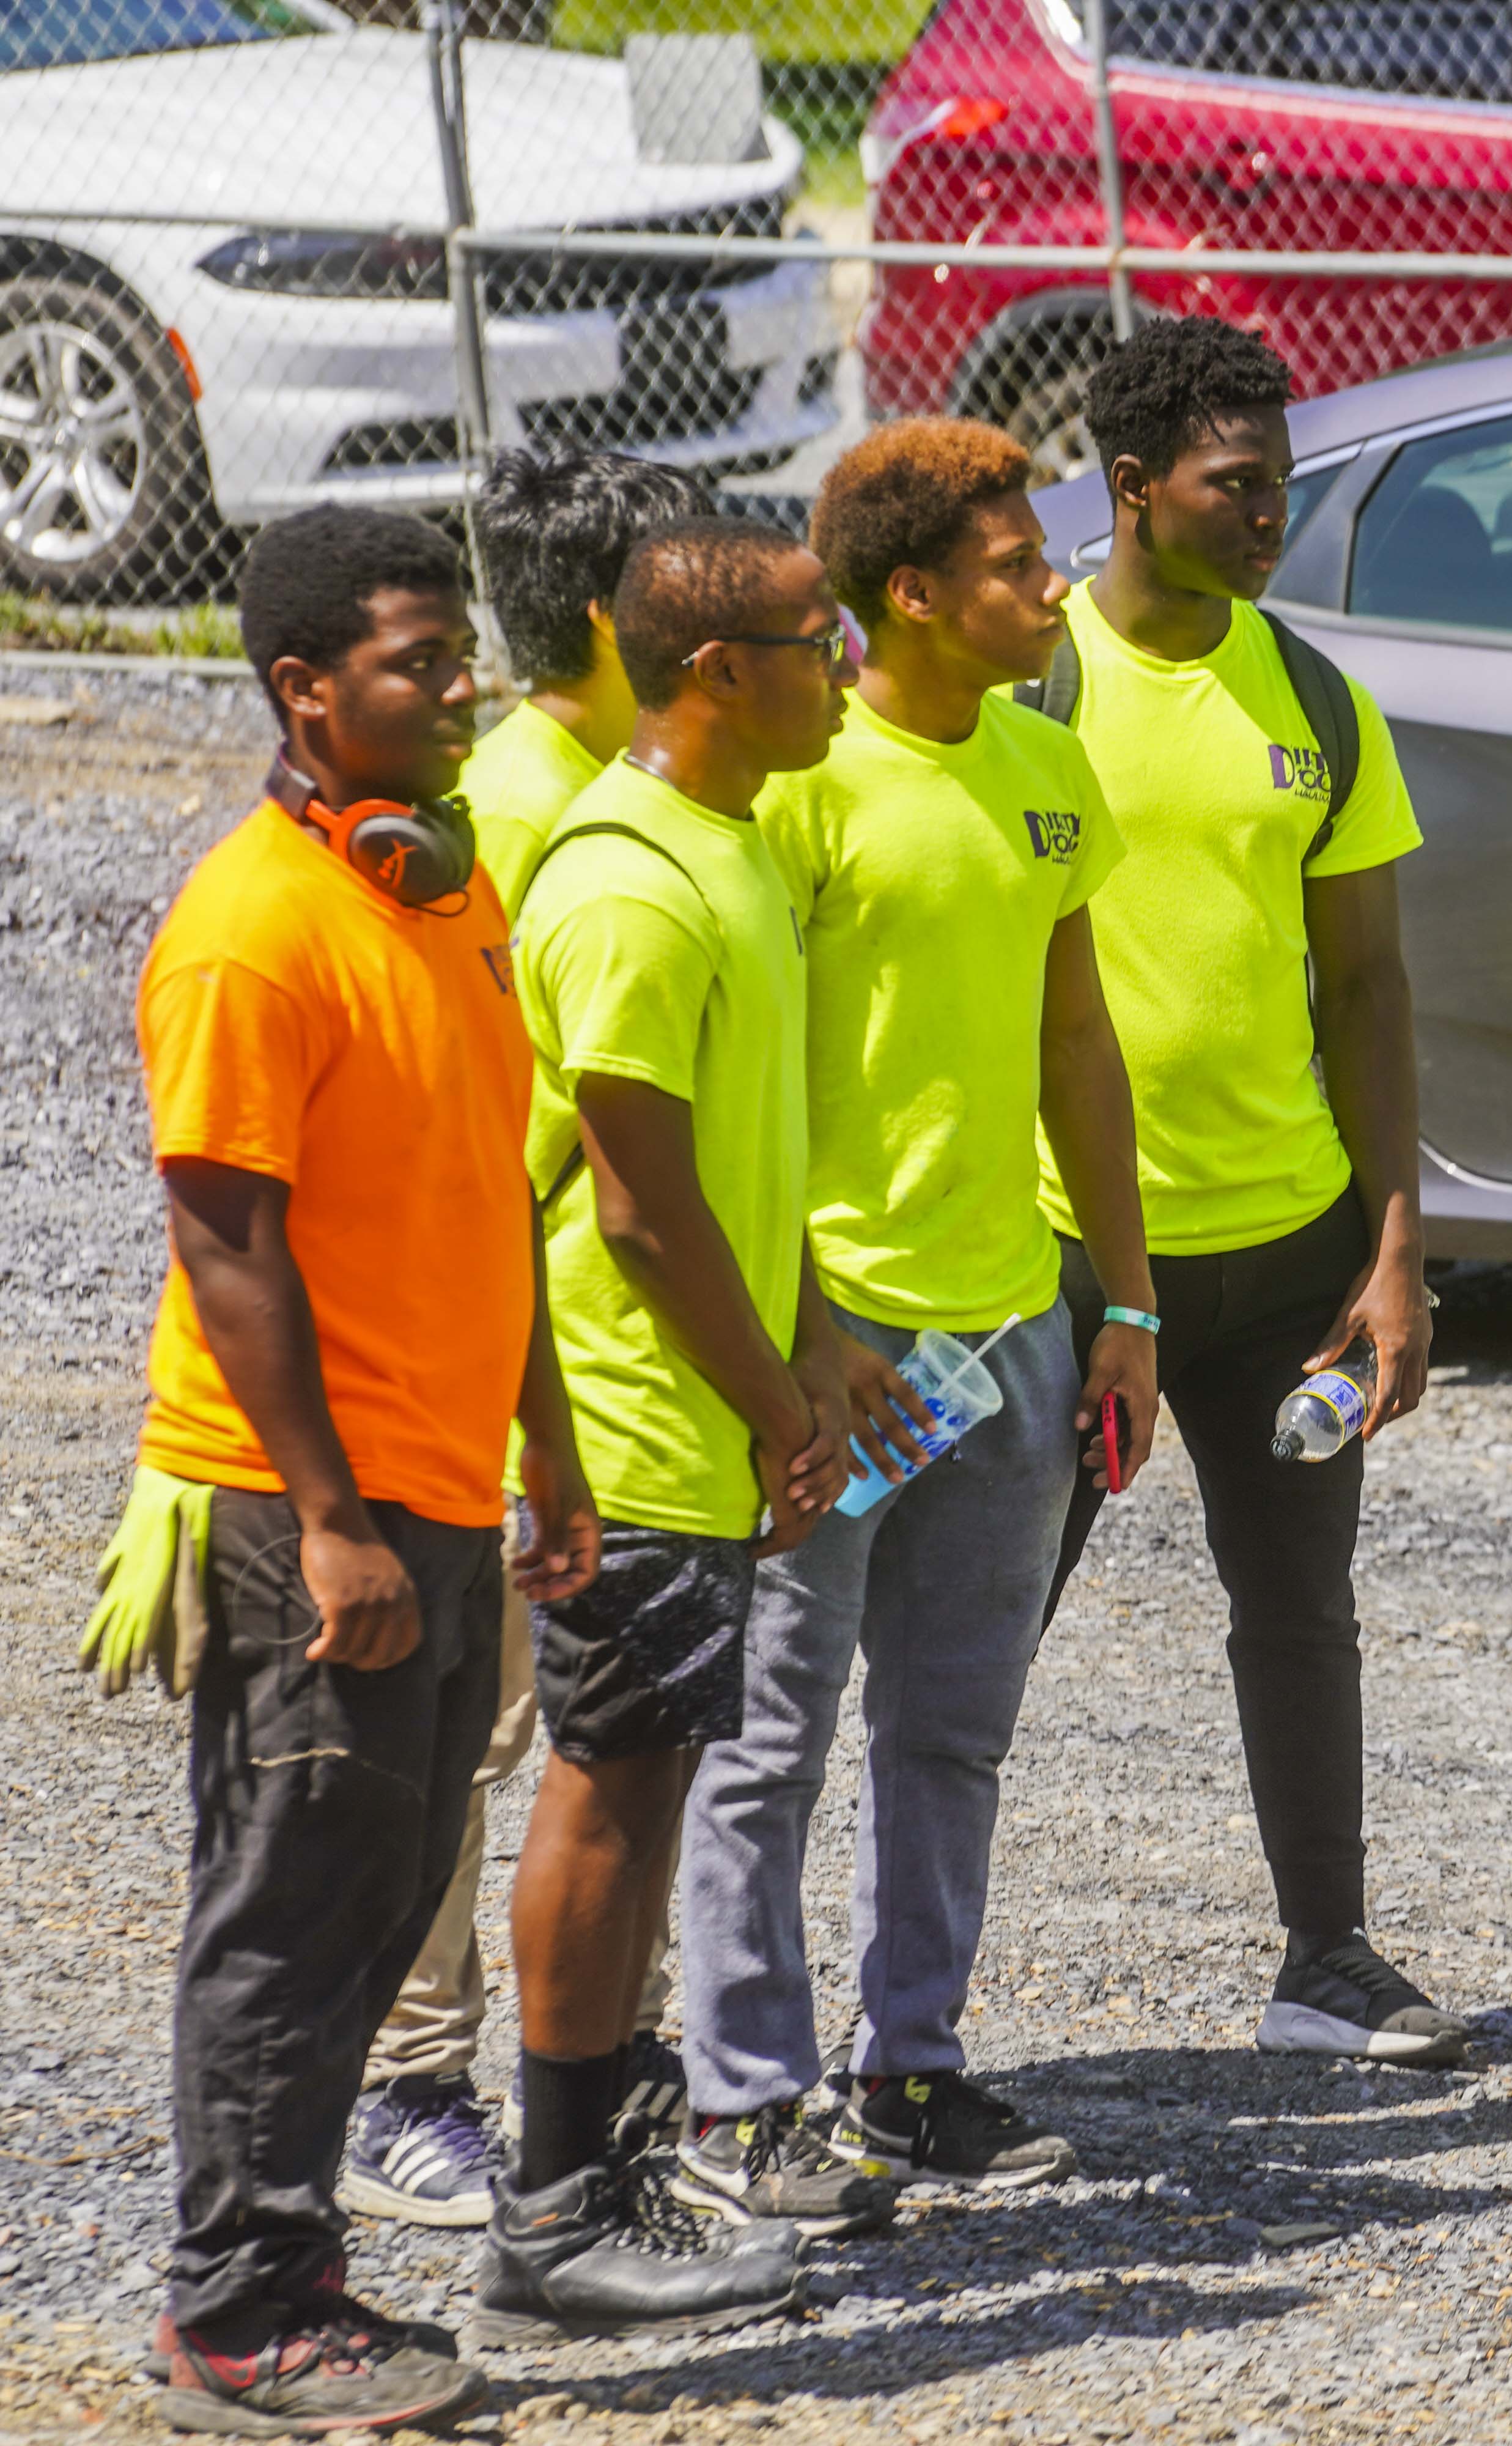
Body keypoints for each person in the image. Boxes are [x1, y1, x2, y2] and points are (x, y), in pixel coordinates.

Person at [114, 505, 597, 2434]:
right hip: (305, 1500)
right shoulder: (253, 934)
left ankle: (297, 2272)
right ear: (305, 694)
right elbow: (225, 1245)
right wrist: (326, 1520)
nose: (463, 685)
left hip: (443, 1480)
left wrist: (542, 1444)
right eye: (418, 662)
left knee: (387, 1875)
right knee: (296, 1896)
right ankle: (235, 2311)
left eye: (463, 651)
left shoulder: (440, 894)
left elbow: (491, 1196)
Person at [678, 419, 1164, 2214]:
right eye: (1021, 568)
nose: (1053, 589)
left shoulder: (1049, 772)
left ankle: (912, 2070)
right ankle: (740, 2103)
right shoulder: (795, 787)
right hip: (841, 1349)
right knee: (771, 1737)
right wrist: (800, 1327)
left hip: (1011, 1338)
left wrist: (1124, 1301)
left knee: (954, 1727)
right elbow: (731, 1088)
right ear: (912, 597)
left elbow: (1076, 1046)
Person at [1028, 315, 1464, 2063]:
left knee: (1301, 1609)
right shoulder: (1024, 687)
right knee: (979, 1640)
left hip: (1285, 1253)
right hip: (1066, 1261)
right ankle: (901, 2030)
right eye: (1237, 484)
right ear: (1132, 489)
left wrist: (1395, 1249)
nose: (1274, 510)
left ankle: (1326, 1960)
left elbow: (1364, 988)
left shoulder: (1315, 701)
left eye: (1282, 481)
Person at [476, 517, 860, 2341]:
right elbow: (635, 1206)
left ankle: (602, 2170)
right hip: (633, 1429)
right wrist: (777, 1405)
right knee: (610, 1789)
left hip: (704, 1411)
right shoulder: (630, 880)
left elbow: (741, 1165)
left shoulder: (731, 845)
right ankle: (553, 2215)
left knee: (643, 1785)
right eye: (817, 638)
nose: (844, 664)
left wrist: (822, 1343)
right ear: (719, 675)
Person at [345, 442, 707, 2233]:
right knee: (473, 1748)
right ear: (602, 617)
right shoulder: (511, 809)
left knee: (606, 1738)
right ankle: (408, 2085)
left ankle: (605, 2059)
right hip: (524, 1365)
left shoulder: (619, 783)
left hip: (598, 1369)